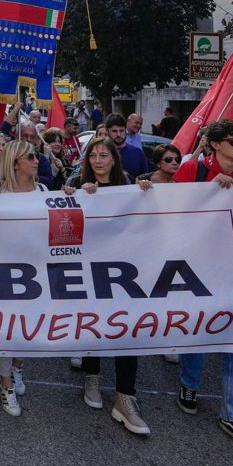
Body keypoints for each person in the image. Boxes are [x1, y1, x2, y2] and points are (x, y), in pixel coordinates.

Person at [173, 119, 233, 453]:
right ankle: (189, 385)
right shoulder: (193, 174)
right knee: (197, 330)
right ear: (214, 144)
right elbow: (168, 212)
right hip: (197, 269)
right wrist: (208, 193)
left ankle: (232, 414)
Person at [62, 136, 153, 435]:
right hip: (88, 269)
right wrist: (73, 195)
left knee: (128, 329)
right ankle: (92, 376)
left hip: (125, 270)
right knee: (94, 323)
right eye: (93, 156)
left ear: (115, 160)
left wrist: (145, 195)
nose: (98, 161)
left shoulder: (130, 186)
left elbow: (144, 224)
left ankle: (125, 398)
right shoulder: (75, 180)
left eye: (105, 155)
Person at [0, 139, 48, 416]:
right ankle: (5, 382)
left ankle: (17, 368)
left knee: (29, 325)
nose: (36, 160)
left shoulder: (42, 190)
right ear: (16, 162)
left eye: (36, 156)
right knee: (8, 326)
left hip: (35, 270)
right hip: (4, 270)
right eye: (30, 156)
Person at [103, 113, 149, 178]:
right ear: (107, 131)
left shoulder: (138, 153)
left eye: (121, 131)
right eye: (114, 131)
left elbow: (146, 179)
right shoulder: (99, 153)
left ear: (125, 130)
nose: (118, 134)